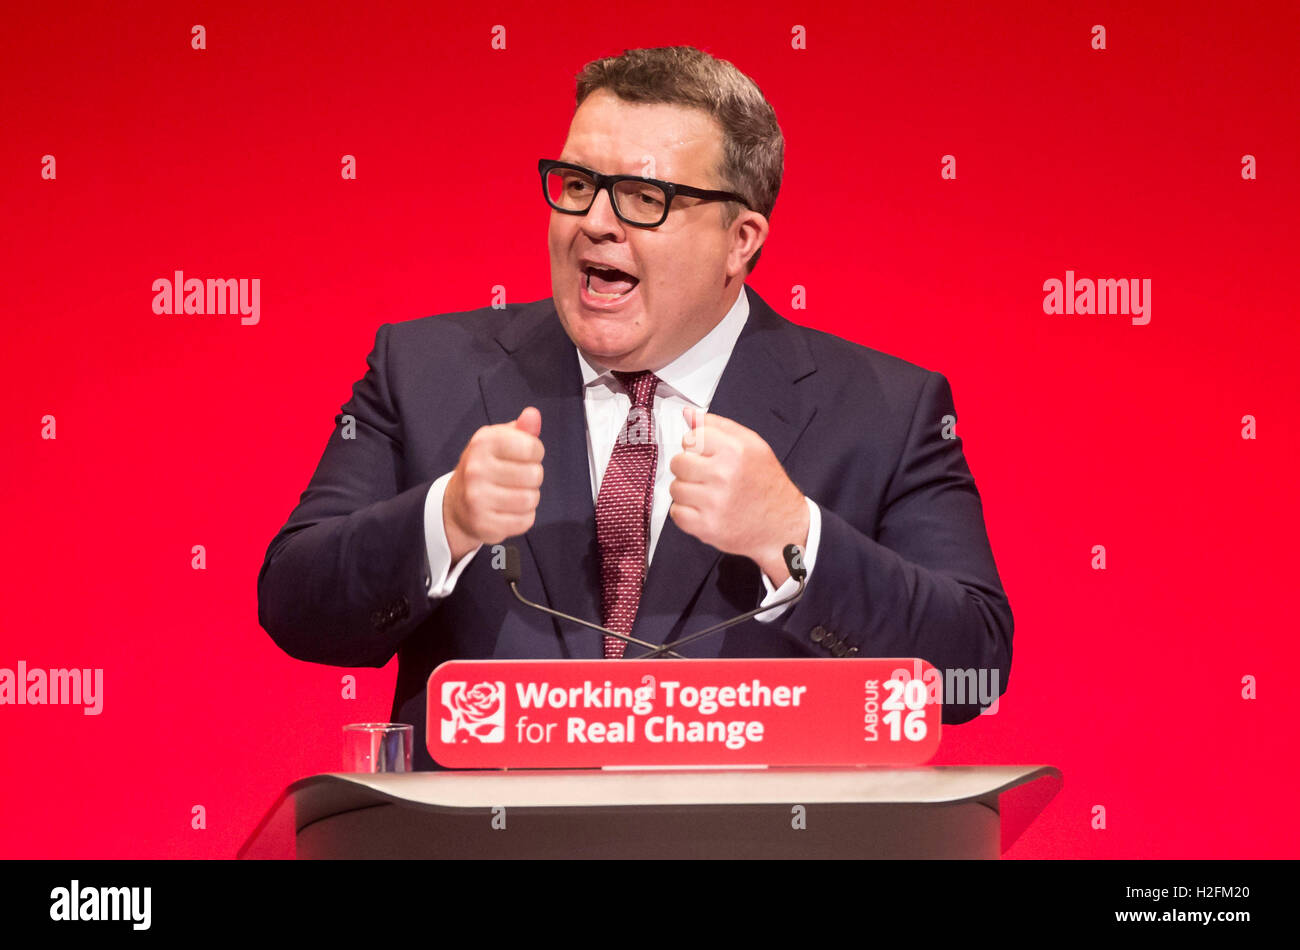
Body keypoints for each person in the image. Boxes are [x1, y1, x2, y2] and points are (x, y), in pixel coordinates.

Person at [257, 46, 1013, 770]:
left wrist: (793, 536)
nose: (594, 222)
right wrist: (444, 518)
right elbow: (294, 605)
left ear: (740, 240)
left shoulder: (887, 409)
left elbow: (971, 667)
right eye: (577, 185)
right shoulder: (425, 371)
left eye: (645, 198)